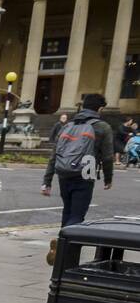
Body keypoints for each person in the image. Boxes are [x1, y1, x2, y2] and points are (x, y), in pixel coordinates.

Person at [43, 92, 114, 263]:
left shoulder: (68, 125)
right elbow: (107, 156)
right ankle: (64, 248)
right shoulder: (102, 127)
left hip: (64, 172)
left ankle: (62, 247)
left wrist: (47, 181)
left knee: (67, 210)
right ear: (100, 108)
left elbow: (55, 154)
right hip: (85, 173)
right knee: (77, 215)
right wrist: (108, 178)